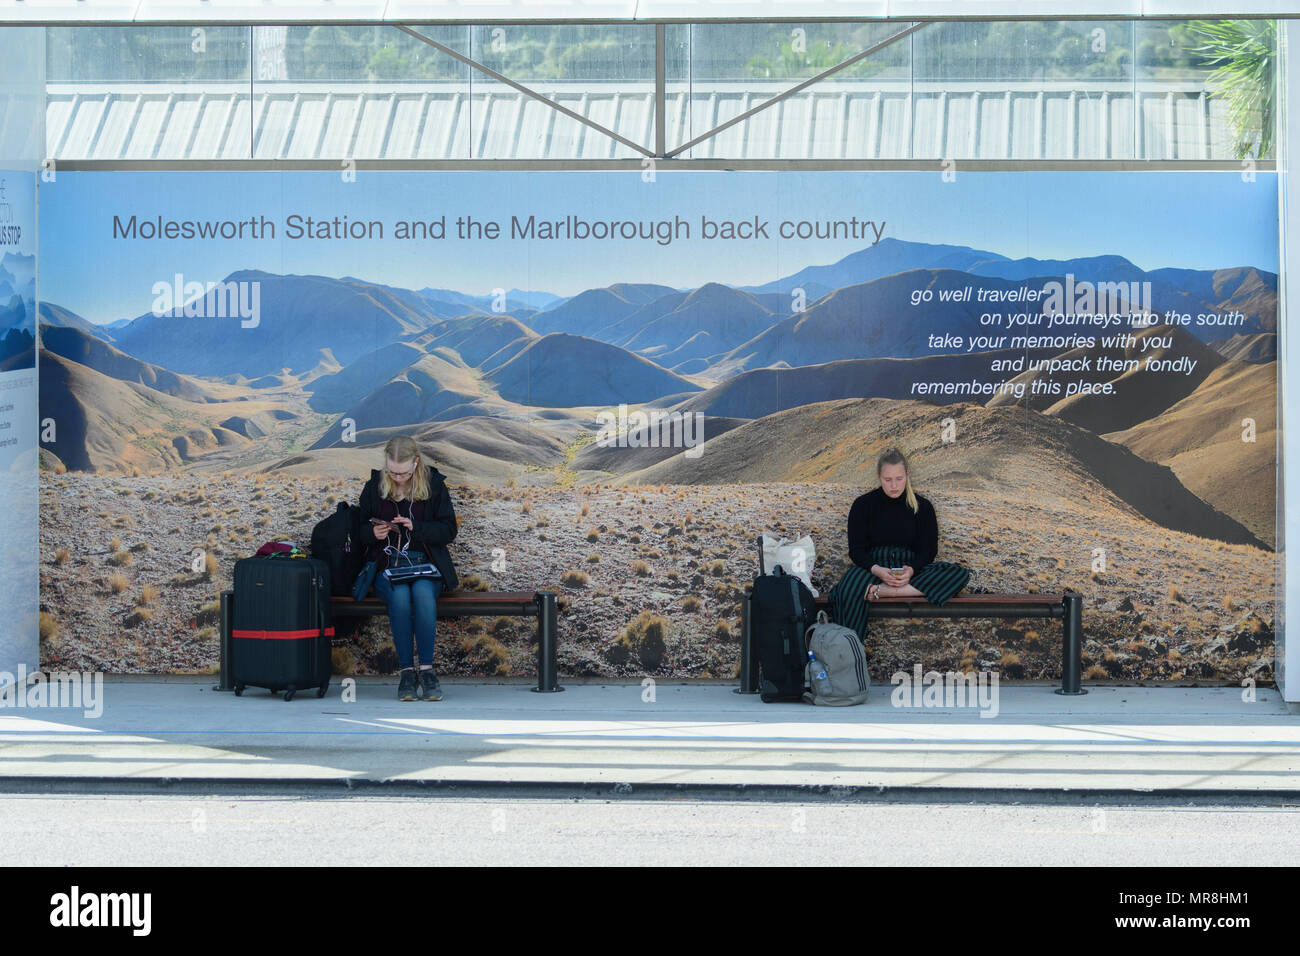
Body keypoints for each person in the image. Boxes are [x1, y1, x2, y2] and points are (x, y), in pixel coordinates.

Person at [356, 435, 459, 701]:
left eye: (403, 472)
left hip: (425, 565)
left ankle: (427, 671)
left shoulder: (434, 485)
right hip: (387, 565)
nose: (397, 477)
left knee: (423, 595)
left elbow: (449, 530)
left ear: (416, 463)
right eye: (392, 471)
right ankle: (406, 674)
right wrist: (373, 533)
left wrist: (418, 528)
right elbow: (357, 530)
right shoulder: (374, 485)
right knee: (400, 597)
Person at [829, 447, 969, 642]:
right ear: (879, 477)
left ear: (907, 475)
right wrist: (877, 570)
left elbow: (928, 551)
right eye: (888, 480)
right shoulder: (863, 505)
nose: (894, 485)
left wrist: (911, 571)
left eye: (899, 479)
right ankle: (849, 650)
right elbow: (856, 550)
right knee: (847, 589)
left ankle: (882, 592)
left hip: (910, 568)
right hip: (873, 567)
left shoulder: (923, 507)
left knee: (958, 574)